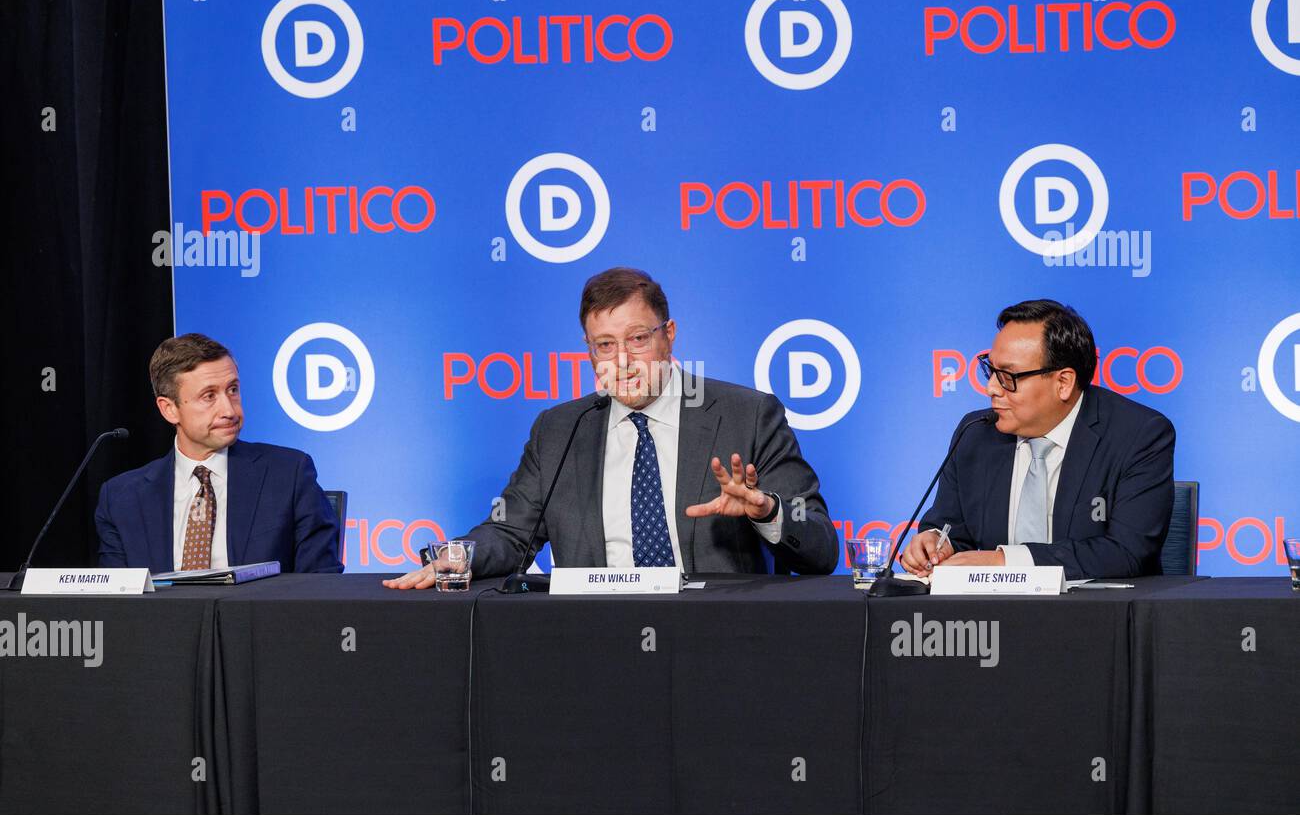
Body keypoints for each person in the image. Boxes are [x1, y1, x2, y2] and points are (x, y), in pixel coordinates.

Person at [385, 267, 838, 588]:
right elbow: (510, 533)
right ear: (588, 350)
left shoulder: (747, 415)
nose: (622, 360)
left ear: (669, 334)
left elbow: (821, 549)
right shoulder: (559, 430)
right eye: (605, 345)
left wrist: (769, 513)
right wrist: (456, 556)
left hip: (719, 640)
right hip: (593, 641)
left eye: (638, 339)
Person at [900, 299, 1175, 581]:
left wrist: (1005, 561)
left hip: (1097, 618)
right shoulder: (976, 433)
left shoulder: (1139, 435)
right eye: (990, 370)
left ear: (1063, 383)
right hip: (987, 618)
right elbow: (952, 529)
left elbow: (1127, 553)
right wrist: (934, 542)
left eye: (1008, 376)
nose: (990, 387)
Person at [95, 333, 342, 573]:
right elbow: (119, 603)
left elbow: (319, 586)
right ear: (169, 409)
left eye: (232, 390)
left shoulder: (289, 475)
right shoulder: (121, 499)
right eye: (209, 396)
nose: (229, 410)